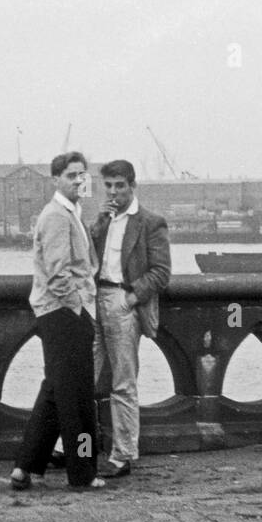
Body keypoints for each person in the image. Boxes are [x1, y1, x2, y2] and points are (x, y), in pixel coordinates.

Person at [10, 152, 105, 491]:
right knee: (78, 398)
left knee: (55, 390)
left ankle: (24, 467)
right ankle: (83, 473)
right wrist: (79, 308)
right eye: (71, 175)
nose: (78, 180)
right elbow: (57, 274)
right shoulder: (56, 216)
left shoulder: (69, 213)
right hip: (64, 313)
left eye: (82, 174)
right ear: (56, 180)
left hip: (62, 313)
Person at [90, 159, 171, 477]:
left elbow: (162, 272)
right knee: (82, 376)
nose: (113, 192)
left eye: (119, 185)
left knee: (123, 382)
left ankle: (122, 455)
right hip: (95, 299)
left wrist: (131, 298)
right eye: (108, 185)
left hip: (123, 301)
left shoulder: (151, 222)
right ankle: (70, 447)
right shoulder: (103, 220)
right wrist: (98, 223)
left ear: (132, 186)